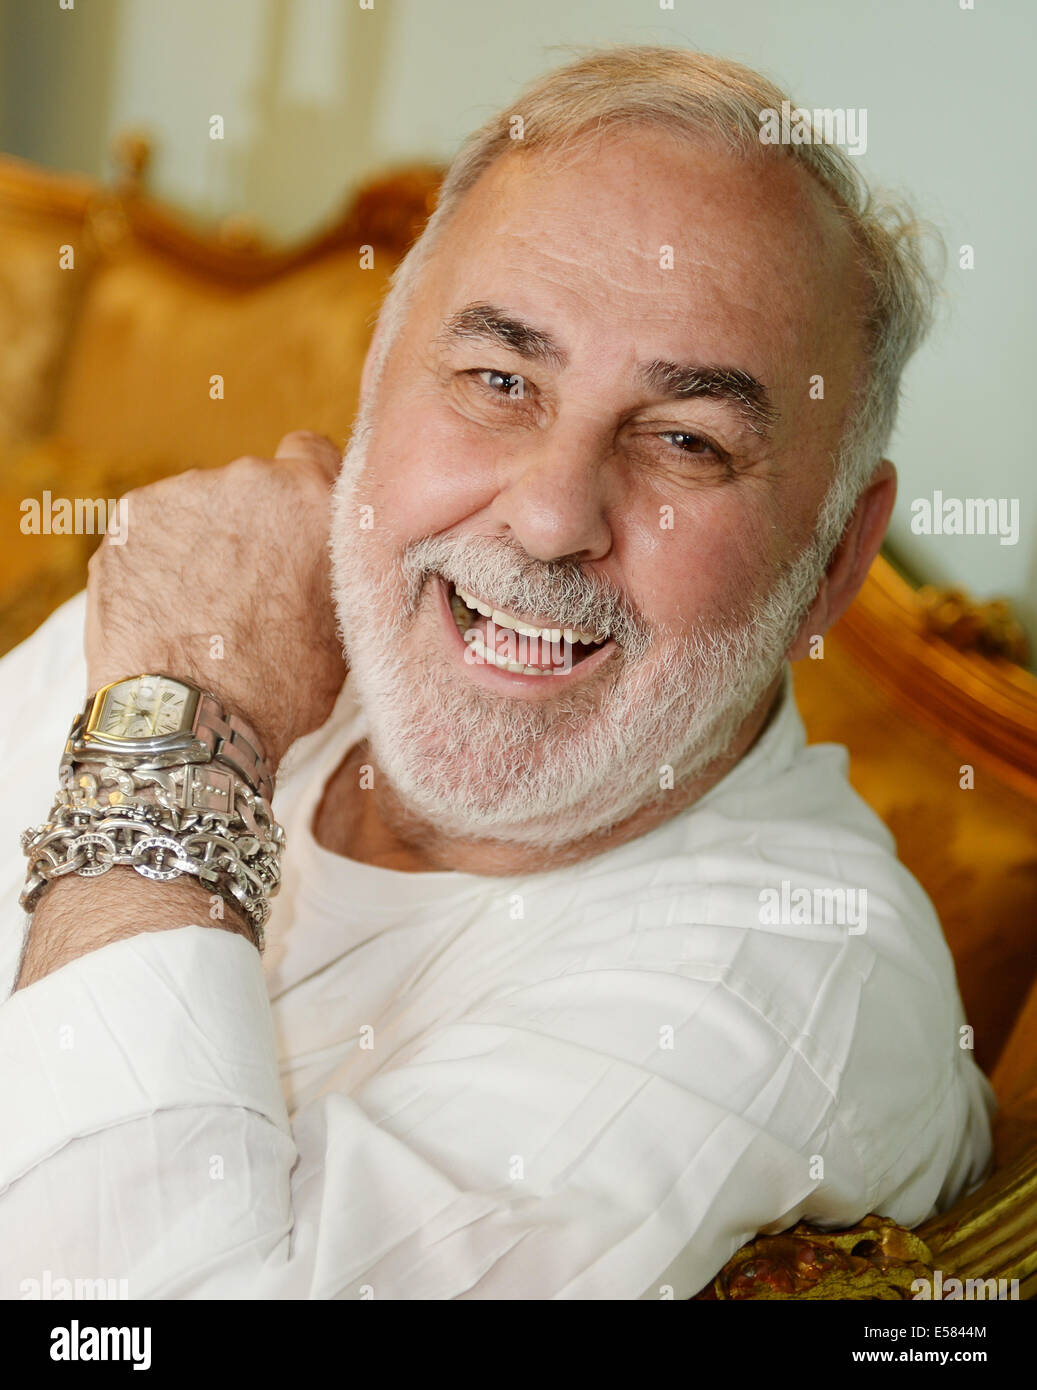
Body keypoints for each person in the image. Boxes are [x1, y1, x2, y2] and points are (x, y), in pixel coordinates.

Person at [0, 45, 993, 1300]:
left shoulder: (784, 990)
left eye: (686, 439)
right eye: (497, 380)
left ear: (835, 556)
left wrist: (182, 734)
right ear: (372, 388)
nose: (547, 516)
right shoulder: (251, 601)